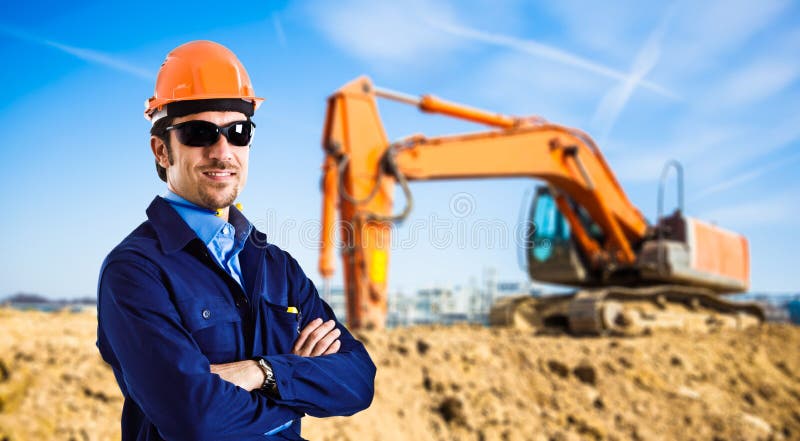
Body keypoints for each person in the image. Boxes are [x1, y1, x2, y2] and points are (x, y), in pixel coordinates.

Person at [96, 40, 376, 441]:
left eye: (238, 131)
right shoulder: (134, 272)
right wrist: (298, 389)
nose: (222, 151)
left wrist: (260, 372)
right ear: (162, 151)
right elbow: (195, 418)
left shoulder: (276, 266)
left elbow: (358, 381)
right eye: (199, 133)